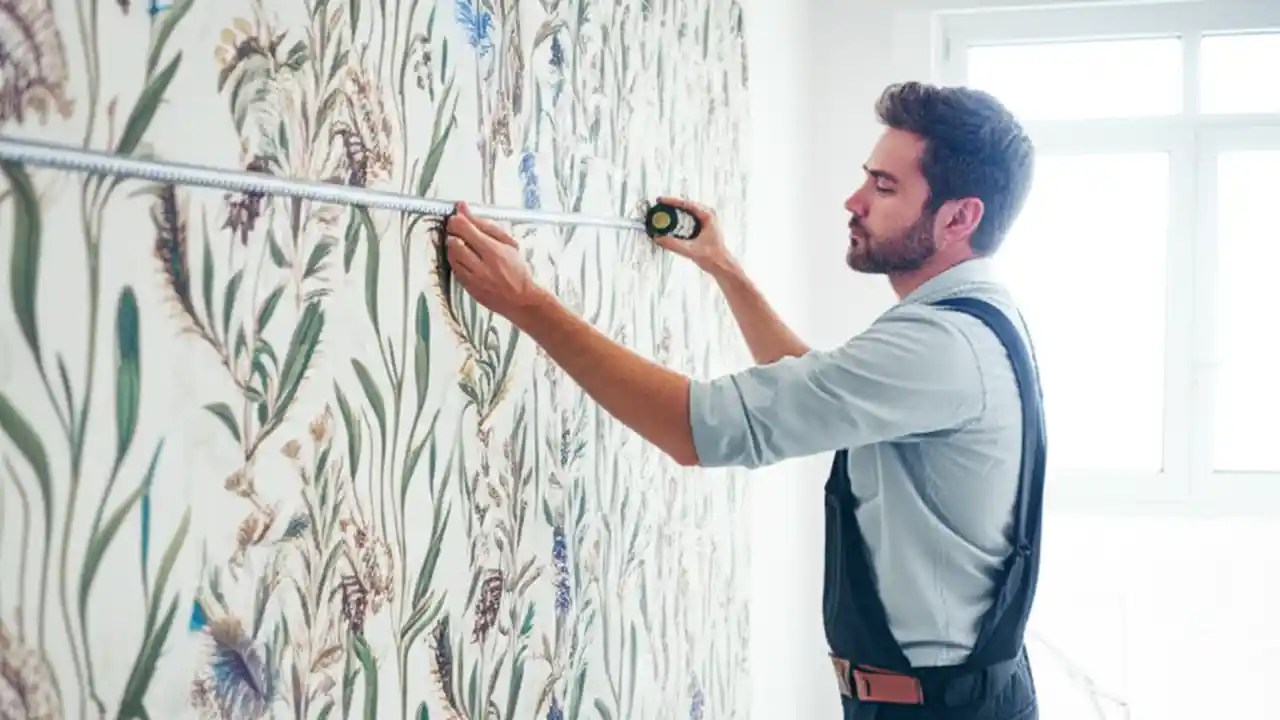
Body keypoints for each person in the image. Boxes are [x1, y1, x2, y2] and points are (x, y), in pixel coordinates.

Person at [441, 80, 1043, 719]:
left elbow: (699, 429)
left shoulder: (942, 345)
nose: (855, 200)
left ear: (958, 218)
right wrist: (723, 267)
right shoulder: (967, 322)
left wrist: (528, 305)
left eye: (884, 187)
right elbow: (816, 389)